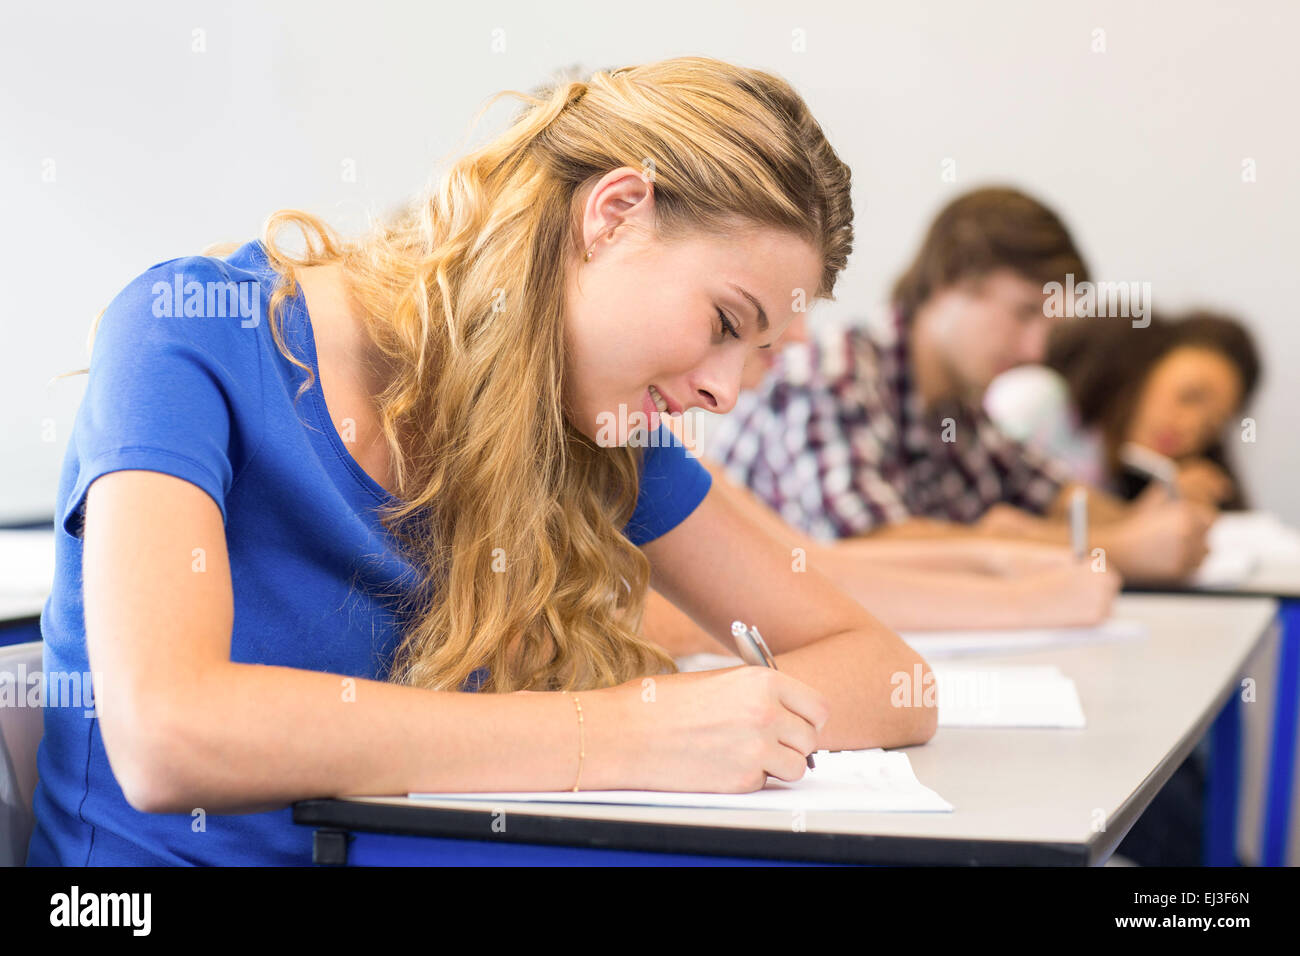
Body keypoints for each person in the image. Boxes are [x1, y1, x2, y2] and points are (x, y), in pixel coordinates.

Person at [27, 58, 935, 866]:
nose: (726, 393)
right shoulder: (189, 331)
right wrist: (618, 731)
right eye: (726, 324)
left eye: (762, 354)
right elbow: (167, 737)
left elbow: (889, 676)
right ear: (614, 215)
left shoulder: (601, 430)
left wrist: (725, 721)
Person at [708, 187, 1215, 585]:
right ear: (952, 279)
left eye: (1049, 327)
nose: (1036, 351)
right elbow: (868, 545)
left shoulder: (962, 406)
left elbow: (1053, 495)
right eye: (1023, 314)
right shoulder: (833, 370)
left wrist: (1142, 519)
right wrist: (1122, 547)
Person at [645, 313, 1121, 659]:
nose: (800, 334)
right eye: (1023, 312)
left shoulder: (653, 444)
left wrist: (998, 559)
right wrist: (1021, 597)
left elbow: (810, 563)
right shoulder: (835, 370)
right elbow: (803, 582)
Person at [986, 310, 1261, 508]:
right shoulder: (1034, 398)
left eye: (1209, 427)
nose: (1189, 428)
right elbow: (990, 516)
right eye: (1188, 396)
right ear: (1142, 362)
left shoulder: (1123, 474)